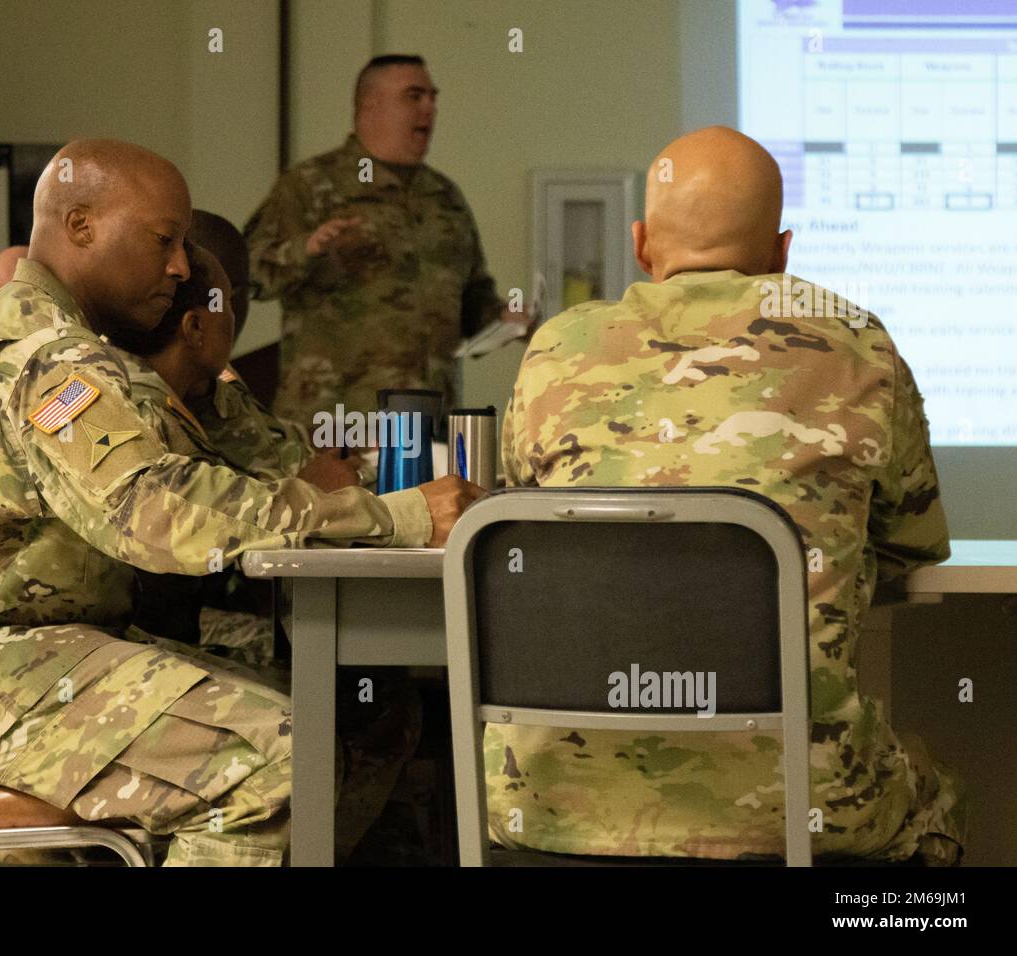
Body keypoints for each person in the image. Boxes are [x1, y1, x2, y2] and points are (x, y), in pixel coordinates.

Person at [0, 138, 479, 866]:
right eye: (163, 241)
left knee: (320, 722)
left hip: (8, 654)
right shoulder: (48, 358)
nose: (182, 266)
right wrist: (399, 518)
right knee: (280, 756)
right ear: (81, 226)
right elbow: (160, 513)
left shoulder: (46, 339)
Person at [493, 126, 966, 865]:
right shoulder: (858, 344)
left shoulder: (554, 350)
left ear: (642, 244)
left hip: (554, 796)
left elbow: (530, 526)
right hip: (802, 800)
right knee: (939, 802)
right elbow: (911, 541)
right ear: (781, 253)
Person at [118, 242, 427, 860]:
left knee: (375, 687)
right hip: (141, 635)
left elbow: (309, 473)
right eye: (231, 308)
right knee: (349, 703)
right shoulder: (134, 407)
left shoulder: (205, 397)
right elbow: (201, 515)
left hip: (179, 622)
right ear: (196, 324)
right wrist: (384, 511)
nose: (240, 326)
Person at [244, 54, 528, 429]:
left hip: (429, 423)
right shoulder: (311, 184)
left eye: (432, 97)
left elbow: (471, 298)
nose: (430, 108)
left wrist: (502, 319)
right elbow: (248, 271)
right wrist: (306, 250)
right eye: (414, 96)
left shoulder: (445, 196)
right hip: (336, 426)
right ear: (370, 104)